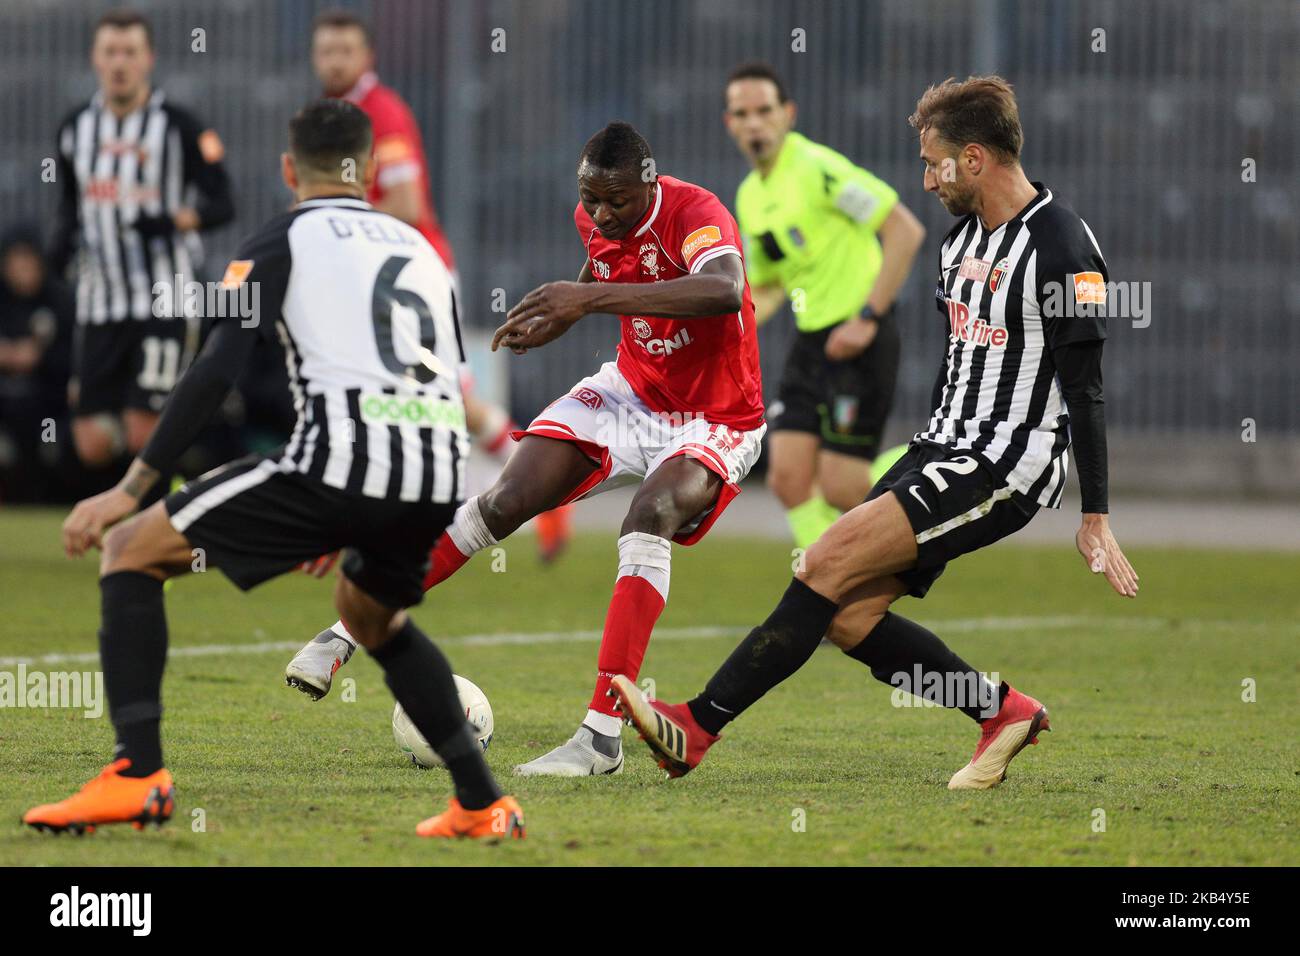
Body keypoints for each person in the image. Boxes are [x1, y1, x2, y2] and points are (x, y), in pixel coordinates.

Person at [612, 76, 1139, 791]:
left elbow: (1086, 386)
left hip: (1003, 463)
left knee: (823, 562)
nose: (925, 180)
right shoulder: (959, 245)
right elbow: (961, 365)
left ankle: (696, 728)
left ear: (975, 159)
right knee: (848, 616)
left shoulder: (1066, 247)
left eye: (934, 163)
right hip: (942, 448)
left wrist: (1096, 515)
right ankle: (1003, 711)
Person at [23, 99, 523, 840]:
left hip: (340, 465)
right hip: (432, 473)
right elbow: (442, 379)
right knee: (372, 616)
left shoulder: (281, 238)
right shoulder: (422, 250)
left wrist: (130, 488)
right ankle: (484, 805)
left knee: (130, 549)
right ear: (373, 169)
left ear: (290, 170)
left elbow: (218, 366)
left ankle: (137, 776)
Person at [298, 121, 766, 777]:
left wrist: (587, 299)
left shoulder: (697, 212)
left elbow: (722, 291)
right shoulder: (594, 220)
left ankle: (600, 738)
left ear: (649, 183)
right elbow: (603, 268)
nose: (601, 214)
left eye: (617, 201)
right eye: (590, 199)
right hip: (632, 393)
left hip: (716, 416)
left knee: (649, 516)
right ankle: (349, 629)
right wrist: (559, 312)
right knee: (504, 499)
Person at [284, 9, 571, 700]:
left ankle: (368, 550)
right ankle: (533, 478)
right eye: (325, 48)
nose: (333, 58)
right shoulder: (325, 117)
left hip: (404, 278)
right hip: (377, 281)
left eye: (345, 48)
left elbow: (408, 205)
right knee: (450, 404)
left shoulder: (381, 111)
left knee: (422, 408)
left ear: (366, 53)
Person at [725, 63, 926, 550]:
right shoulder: (750, 197)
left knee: (843, 488)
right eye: (742, 113)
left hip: (860, 336)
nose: (755, 123)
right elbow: (769, 287)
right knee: (787, 478)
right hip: (812, 340)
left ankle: (939, 459)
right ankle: (820, 584)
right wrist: (726, 329)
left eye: (764, 111)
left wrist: (867, 318)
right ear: (729, 123)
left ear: (787, 114)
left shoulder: (818, 169)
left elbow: (904, 230)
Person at [51, 8, 234, 505]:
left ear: (148, 58)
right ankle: (133, 508)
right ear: (95, 58)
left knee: (142, 432)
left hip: (165, 296)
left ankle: (150, 533)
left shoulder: (179, 126)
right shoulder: (74, 129)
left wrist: (173, 220)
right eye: (110, 51)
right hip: (99, 300)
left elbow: (223, 203)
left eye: (130, 52)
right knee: (91, 442)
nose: (119, 63)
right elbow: (71, 202)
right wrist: (62, 243)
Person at [0, 226, 75, 502]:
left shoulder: (59, 300)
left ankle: (51, 500)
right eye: (15, 262)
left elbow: (72, 358)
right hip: (6, 404)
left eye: (27, 261)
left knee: (54, 442)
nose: (22, 269)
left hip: (48, 404)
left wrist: (41, 357)